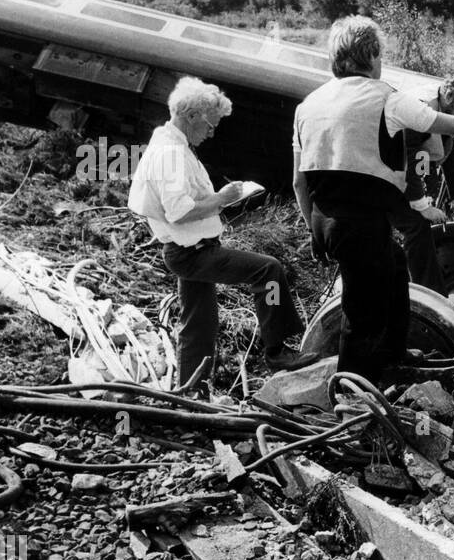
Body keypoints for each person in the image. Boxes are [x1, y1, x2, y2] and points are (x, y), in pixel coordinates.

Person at [292, 15, 454, 381]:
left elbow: (299, 182)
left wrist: (315, 231)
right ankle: (351, 391)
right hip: (360, 220)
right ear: (374, 55)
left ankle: (393, 355)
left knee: (394, 269)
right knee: (362, 311)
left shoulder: (307, 105)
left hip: (326, 217)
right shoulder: (386, 99)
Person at [128, 76, 318, 393]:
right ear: (191, 116)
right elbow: (180, 211)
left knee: (199, 325)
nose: (212, 133)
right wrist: (223, 198)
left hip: (186, 250)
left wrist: (218, 199)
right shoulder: (171, 154)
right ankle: (276, 351)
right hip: (192, 253)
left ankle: (192, 391)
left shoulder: (170, 145)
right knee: (268, 271)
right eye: (210, 125)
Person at [394, 75, 454, 294]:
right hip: (387, 172)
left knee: (423, 223)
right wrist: (421, 206)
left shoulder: (446, 114)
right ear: (448, 97)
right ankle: (427, 294)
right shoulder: (421, 110)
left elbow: (451, 157)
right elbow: (410, 154)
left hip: (415, 166)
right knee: (416, 227)